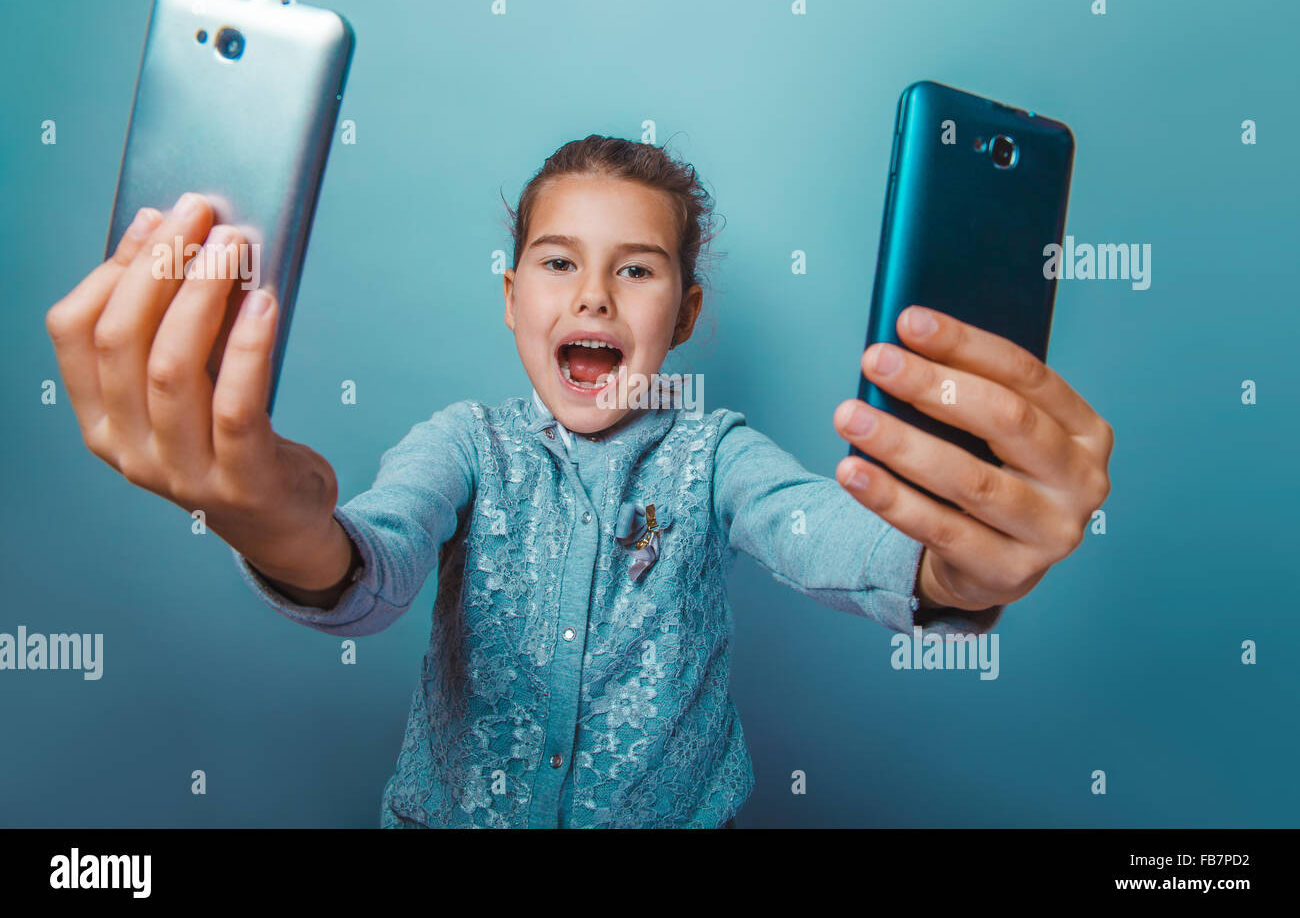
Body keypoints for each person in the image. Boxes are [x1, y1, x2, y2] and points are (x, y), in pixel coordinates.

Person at [44, 135, 1112, 827]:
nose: (593, 294)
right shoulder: (464, 440)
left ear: (684, 315)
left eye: (636, 268)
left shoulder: (713, 449)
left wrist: (958, 571)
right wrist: (269, 515)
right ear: (513, 300)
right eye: (558, 262)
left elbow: (828, 539)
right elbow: (371, 557)